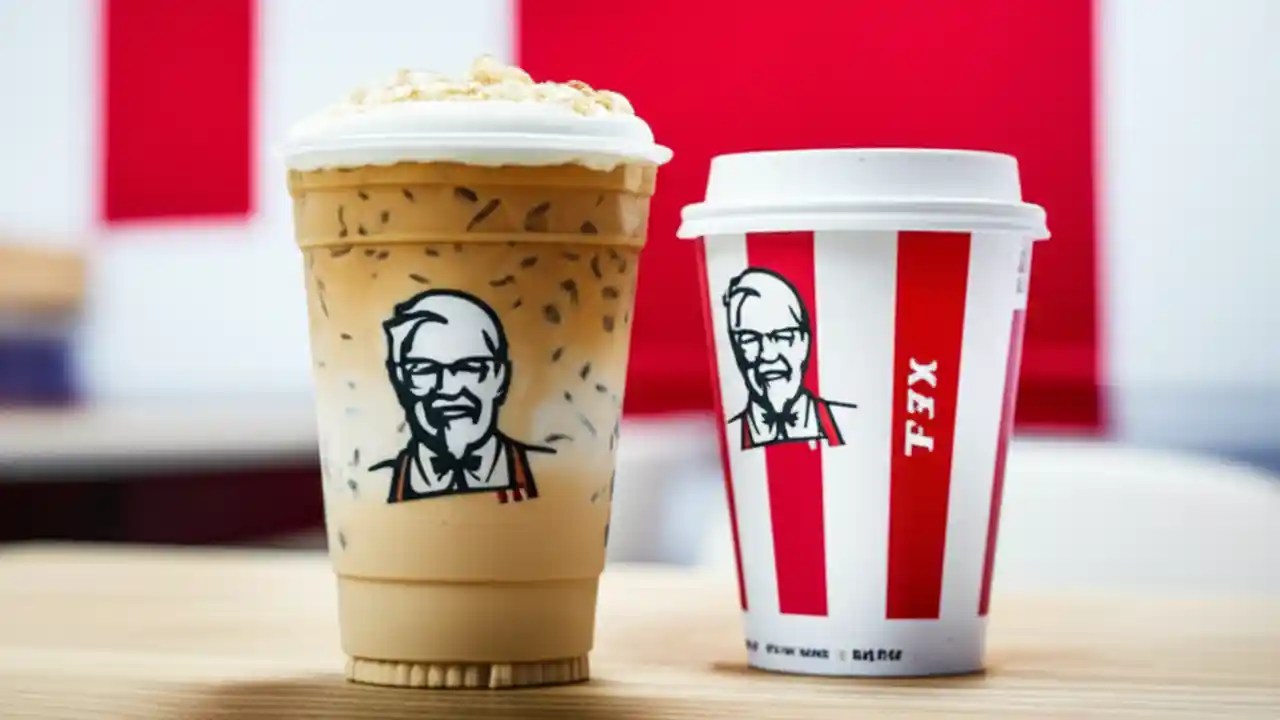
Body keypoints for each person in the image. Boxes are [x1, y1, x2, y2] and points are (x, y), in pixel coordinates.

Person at [373, 289, 548, 504]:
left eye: (470, 367)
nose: (450, 388)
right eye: (425, 369)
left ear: (501, 376)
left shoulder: (557, 474)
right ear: (399, 379)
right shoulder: (370, 487)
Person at [723, 268, 855, 450]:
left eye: (782, 336)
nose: (768, 355)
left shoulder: (855, 426)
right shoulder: (729, 437)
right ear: (735, 349)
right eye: (750, 339)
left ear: (804, 343)